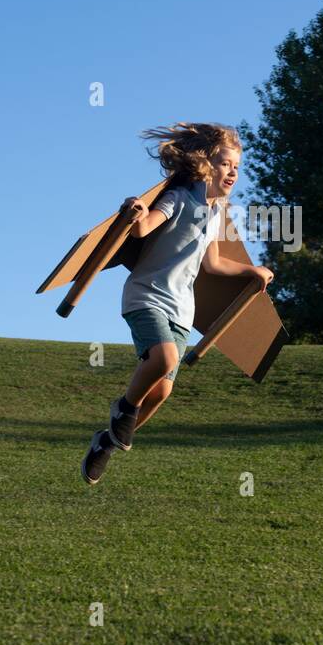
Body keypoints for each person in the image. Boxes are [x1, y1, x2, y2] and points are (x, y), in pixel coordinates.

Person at [82, 122, 273, 485]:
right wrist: (134, 213)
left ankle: (106, 442)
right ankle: (122, 409)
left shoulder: (215, 213)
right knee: (165, 359)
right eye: (224, 163)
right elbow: (143, 228)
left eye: (236, 166)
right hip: (147, 295)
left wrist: (252, 270)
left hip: (182, 309)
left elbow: (212, 263)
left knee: (163, 390)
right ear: (203, 163)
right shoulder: (179, 198)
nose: (232, 172)